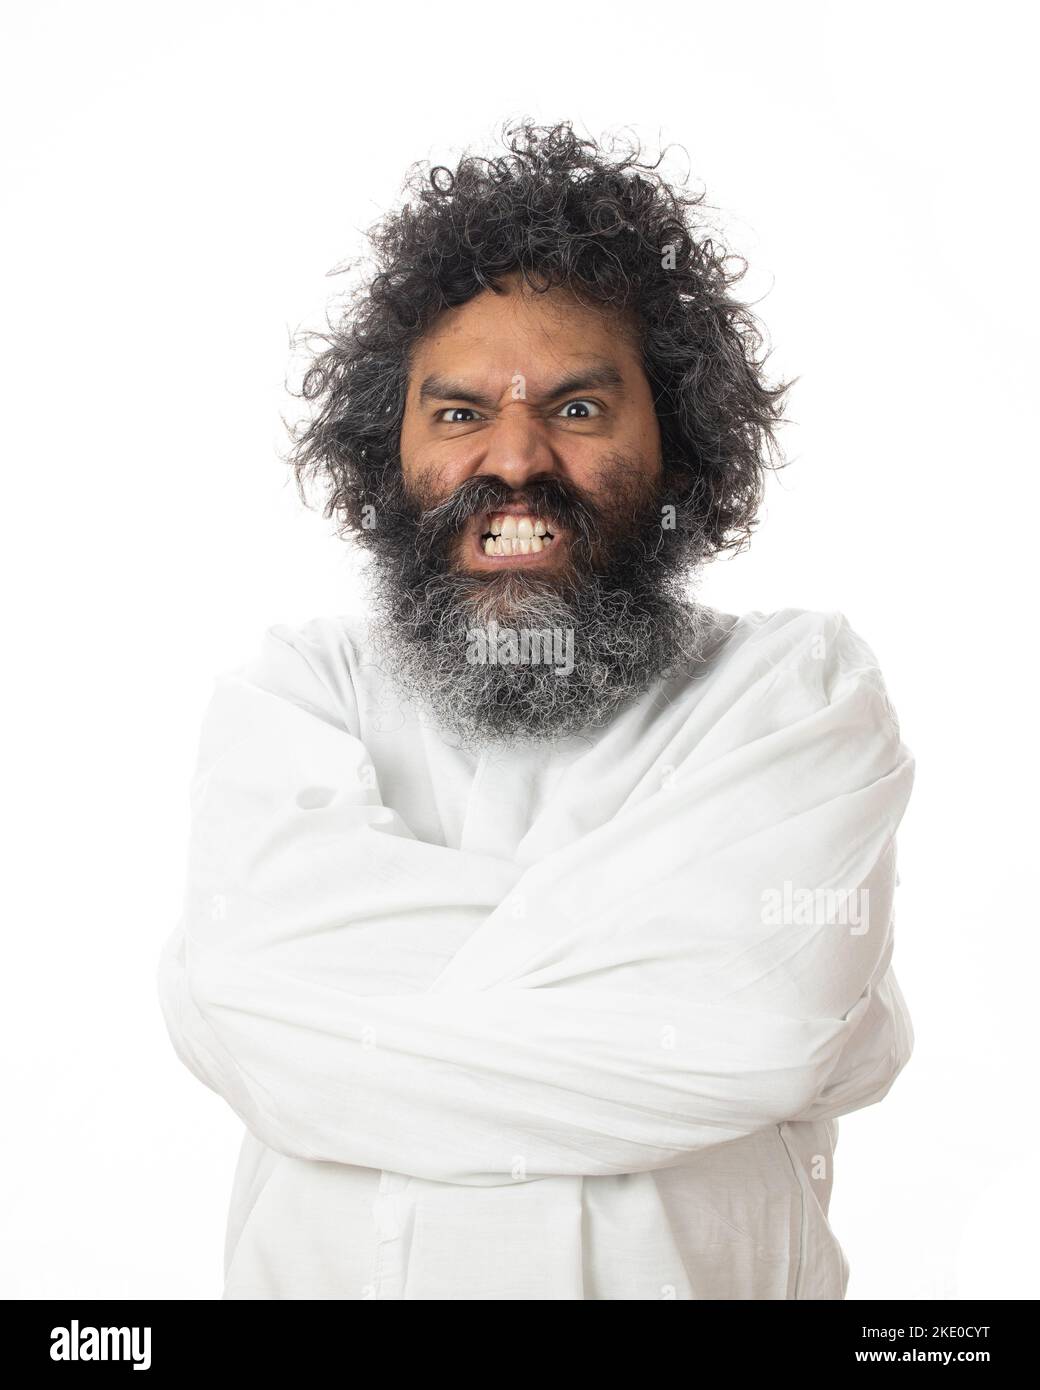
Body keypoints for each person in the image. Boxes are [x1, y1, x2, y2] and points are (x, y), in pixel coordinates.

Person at [157, 119, 914, 1300]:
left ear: (678, 447)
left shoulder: (790, 695)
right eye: (458, 413)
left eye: (574, 408)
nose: (514, 457)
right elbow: (246, 992)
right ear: (386, 452)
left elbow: (759, 1031)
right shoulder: (302, 696)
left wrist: (359, 1029)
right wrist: (641, 964)